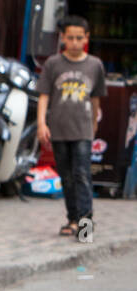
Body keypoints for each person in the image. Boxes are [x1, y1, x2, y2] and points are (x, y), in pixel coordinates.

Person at [37, 15, 105, 240]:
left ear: (86, 38)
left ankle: (85, 223)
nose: (75, 42)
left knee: (82, 175)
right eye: (70, 38)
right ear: (63, 38)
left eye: (79, 38)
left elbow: (96, 99)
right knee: (66, 176)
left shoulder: (95, 65)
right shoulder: (53, 64)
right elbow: (44, 96)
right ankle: (72, 219)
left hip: (83, 130)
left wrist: (94, 123)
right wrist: (41, 123)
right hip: (59, 129)